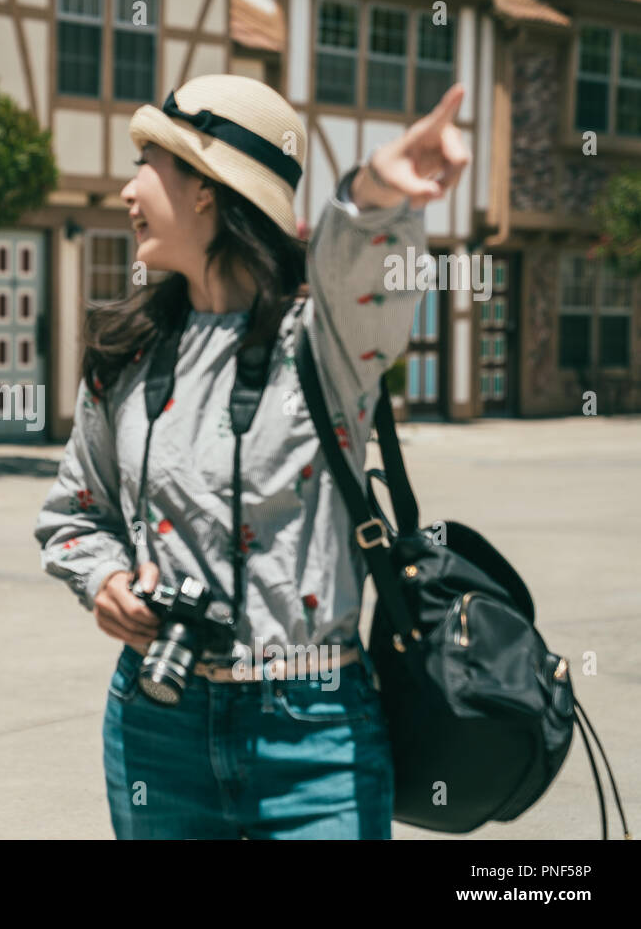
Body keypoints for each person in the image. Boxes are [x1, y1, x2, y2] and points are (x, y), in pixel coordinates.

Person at [35, 74, 469, 839]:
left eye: (148, 163)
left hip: (315, 731)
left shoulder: (327, 340)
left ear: (205, 188)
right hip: (155, 724)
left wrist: (374, 193)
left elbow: (358, 265)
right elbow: (75, 513)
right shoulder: (125, 354)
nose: (127, 190)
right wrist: (103, 578)